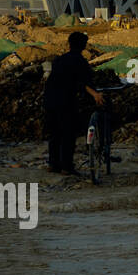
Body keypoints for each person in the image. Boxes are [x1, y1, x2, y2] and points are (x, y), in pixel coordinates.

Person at [42, 31, 103, 175]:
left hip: (50, 99)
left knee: (54, 133)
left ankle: (53, 164)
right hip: (65, 100)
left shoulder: (59, 60)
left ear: (69, 44)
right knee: (68, 134)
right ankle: (66, 167)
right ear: (83, 46)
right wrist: (95, 94)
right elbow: (82, 83)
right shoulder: (80, 61)